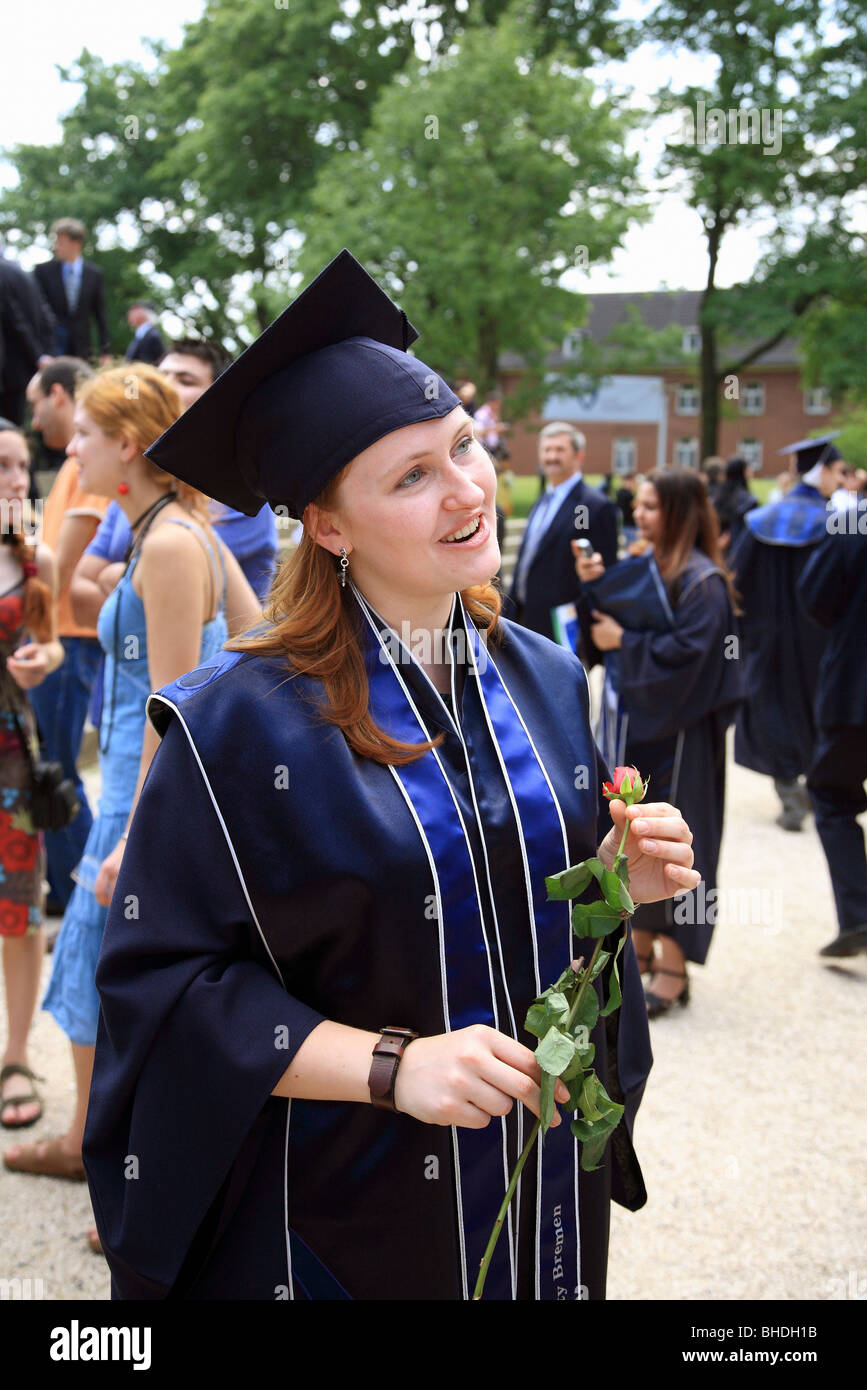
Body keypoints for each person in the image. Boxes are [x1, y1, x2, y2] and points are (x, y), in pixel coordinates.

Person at [80, 251, 700, 1301]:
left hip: (536, 1179)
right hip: (345, 1209)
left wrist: (611, 882)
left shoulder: (545, 680)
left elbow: (525, 916)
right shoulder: (233, 727)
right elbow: (173, 989)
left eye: (462, 447)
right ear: (327, 525)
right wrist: (393, 1065)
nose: (467, 491)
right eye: (410, 476)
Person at [3, 367, 261, 1259]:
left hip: (139, 795)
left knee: (91, 978)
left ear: (129, 442)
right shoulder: (173, 529)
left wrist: (136, 838)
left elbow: (174, 701)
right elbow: (258, 636)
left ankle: (116, 1170)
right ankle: (100, 1152)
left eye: (83, 435)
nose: (69, 449)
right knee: (91, 979)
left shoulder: (174, 542)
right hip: (127, 786)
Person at [576, 469, 743, 1015]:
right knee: (634, 833)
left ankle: (676, 963)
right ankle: (642, 945)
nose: (639, 515)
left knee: (680, 837)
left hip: (683, 738)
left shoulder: (703, 582)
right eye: (639, 505)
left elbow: (691, 661)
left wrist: (626, 640)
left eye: (650, 506)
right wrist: (597, 585)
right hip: (638, 729)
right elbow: (603, 629)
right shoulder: (651, 567)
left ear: (678, 511)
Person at [75, 339, 280, 611]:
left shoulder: (240, 492)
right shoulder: (132, 486)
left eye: (185, 380)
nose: (165, 388)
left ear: (218, 400)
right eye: (160, 377)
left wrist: (111, 577)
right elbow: (78, 592)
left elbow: (176, 584)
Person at [729, 434, 849, 832]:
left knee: (771, 709)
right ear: (824, 471)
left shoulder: (762, 519)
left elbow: (737, 578)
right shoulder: (836, 524)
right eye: (837, 471)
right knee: (817, 712)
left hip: (766, 639)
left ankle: (787, 789)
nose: (840, 478)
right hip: (821, 640)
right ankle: (815, 787)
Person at [0, 420, 65, 1129]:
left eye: (22, 465)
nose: (17, 478)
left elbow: (48, 645)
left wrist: (40, 661)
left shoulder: (33, 558)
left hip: (12, 748)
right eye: (3, 467)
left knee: (17, 908)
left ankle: (15, 1057)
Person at [25, 358, 107, 919]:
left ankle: (88, 899)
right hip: (61, 635)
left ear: (59, 394)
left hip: (70, 637)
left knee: (57, 766)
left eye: (36, 404)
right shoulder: (77, 458)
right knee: (51, 764)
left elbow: (59, 561)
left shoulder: (85, 457)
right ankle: (66, 888)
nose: (33, 420)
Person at [797, 518, 867, 958]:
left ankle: (859, 912)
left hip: (855, 692)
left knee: (831, 794)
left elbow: (817, 600)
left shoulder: (853, 524)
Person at [508, 422, 619, 643]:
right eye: (546, 450)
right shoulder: (542, 500)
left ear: (579, 456)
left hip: (564, 629)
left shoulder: (588, 506)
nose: (551, 456)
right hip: (524, 618)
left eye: (559, 450)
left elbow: (601, 570)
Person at [32, 219, 111, 364]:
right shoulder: (43, 272)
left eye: (61, 243)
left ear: (76, 244)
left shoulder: (94, 274)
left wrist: (105, 350)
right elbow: (37, 311)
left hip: (81, 349)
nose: (56, 247)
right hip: (52, 348)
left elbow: (100, 315)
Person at [0, 236, 55, 424]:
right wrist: (43, 355)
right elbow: (47, 316)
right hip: (25, 368)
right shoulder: (23, 273)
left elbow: (16, 320)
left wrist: (37, 355)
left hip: (7, 369)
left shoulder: (2, 273)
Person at [712, 456, 758, 553]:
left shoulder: (718, 496)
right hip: (739, 549)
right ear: (743, 471)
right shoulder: (748, 500)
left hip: (717, 547)